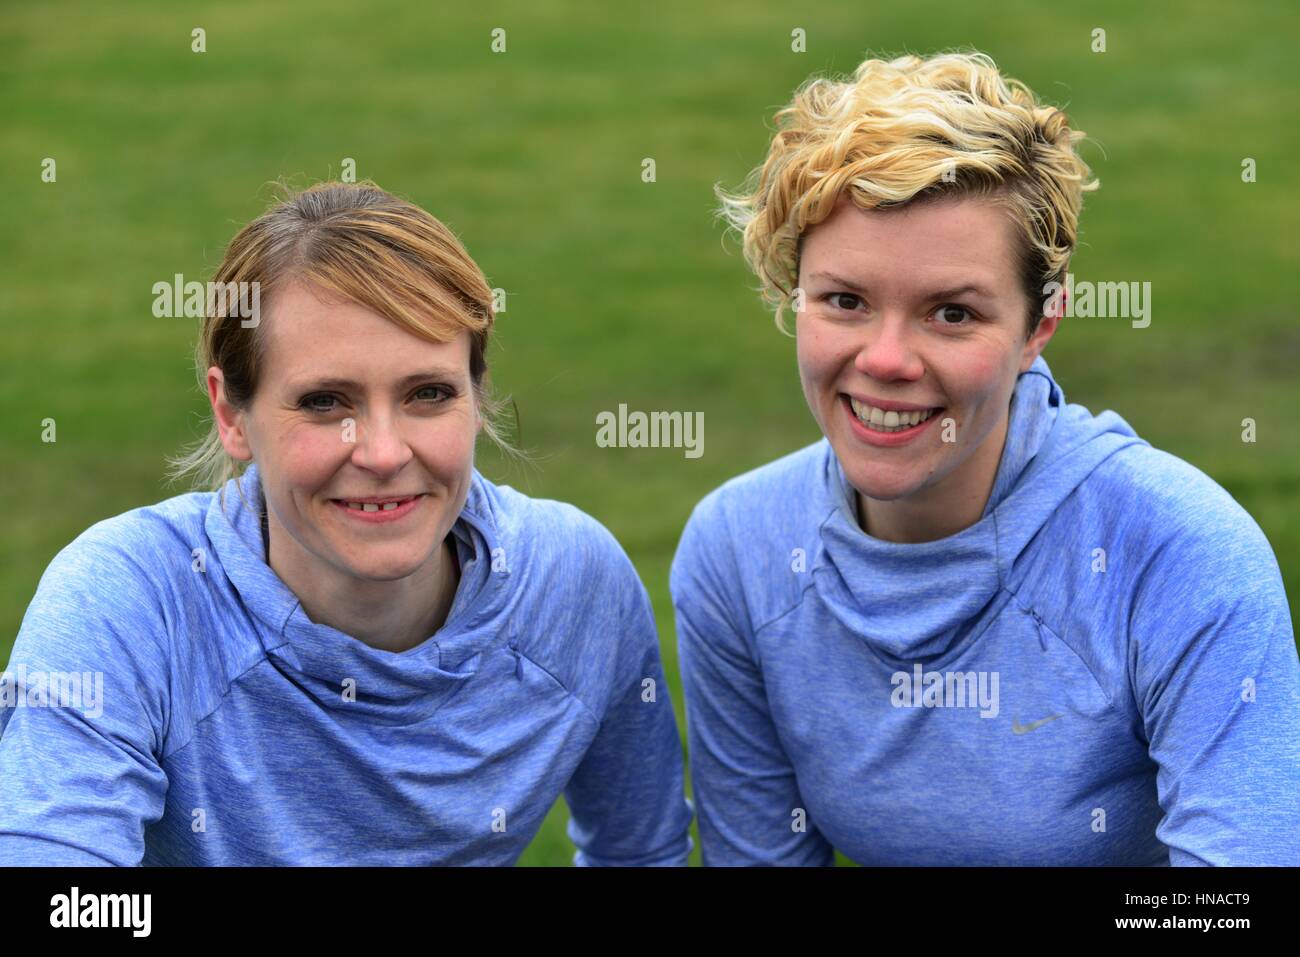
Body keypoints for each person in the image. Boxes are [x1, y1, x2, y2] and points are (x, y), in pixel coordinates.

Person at [671, 51, 1299, 865]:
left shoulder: (1180, 549)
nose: (887, 358)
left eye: (953, 313)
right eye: (845, 301)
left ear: (1041, 325)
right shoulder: (737, 550)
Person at [0, 181, 693, 866]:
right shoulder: (125, 599)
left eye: (428, 393)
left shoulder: (573, 584)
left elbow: (643, 853)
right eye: (326, 402)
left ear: (477, 399)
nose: (385, 453)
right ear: (231, 414)